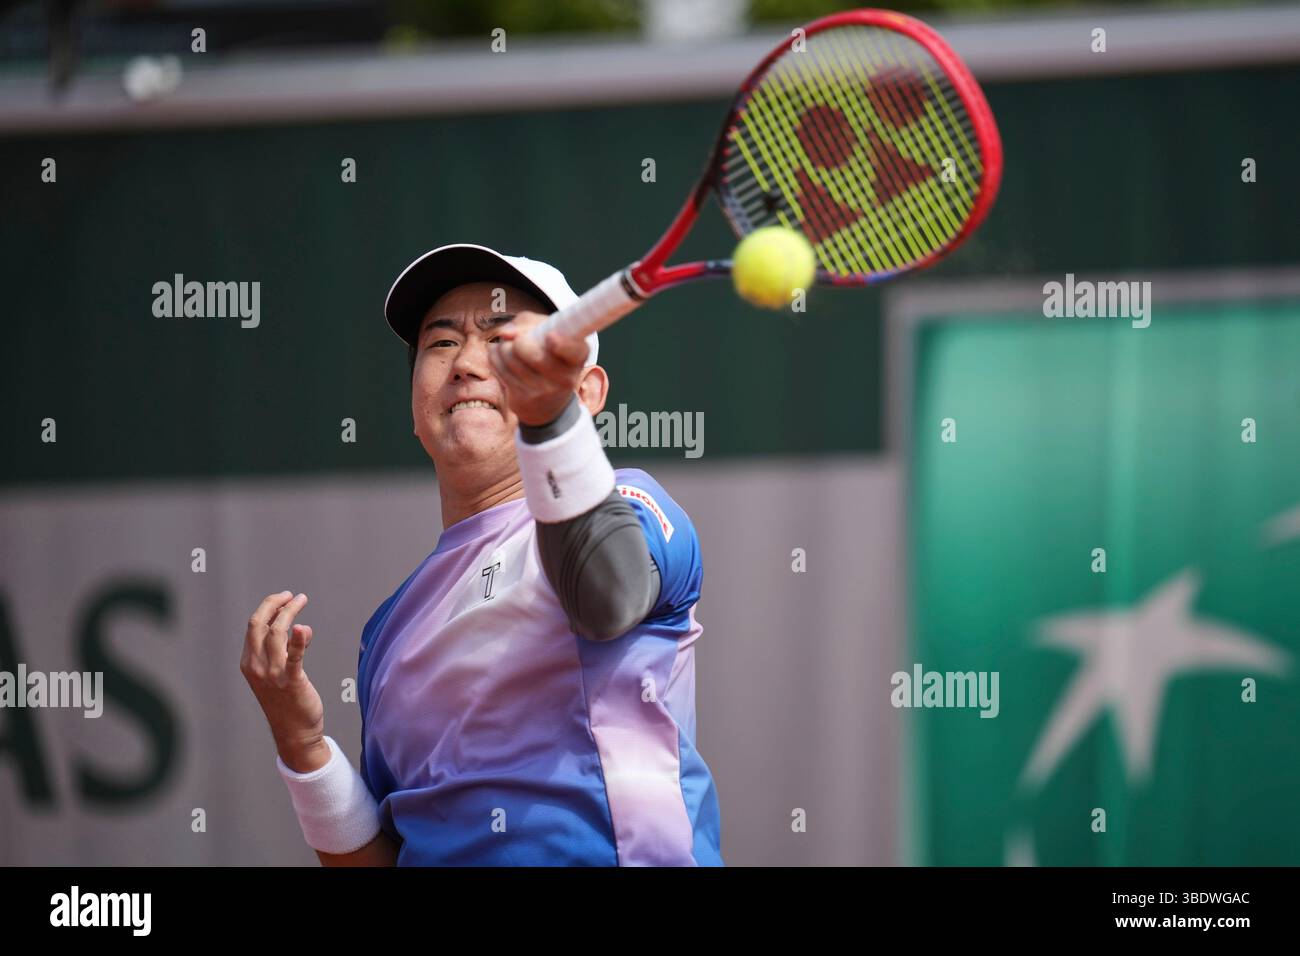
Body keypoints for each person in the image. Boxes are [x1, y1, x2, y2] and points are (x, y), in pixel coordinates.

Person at [240, 243, 723, 866]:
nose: (467, 362)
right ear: (415, 407)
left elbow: (607, 600)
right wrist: (303, 744)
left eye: (502, 343)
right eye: (440, 344)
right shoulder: (385, 633)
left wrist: (550, 419)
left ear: (587, 390)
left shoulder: (628, 505)